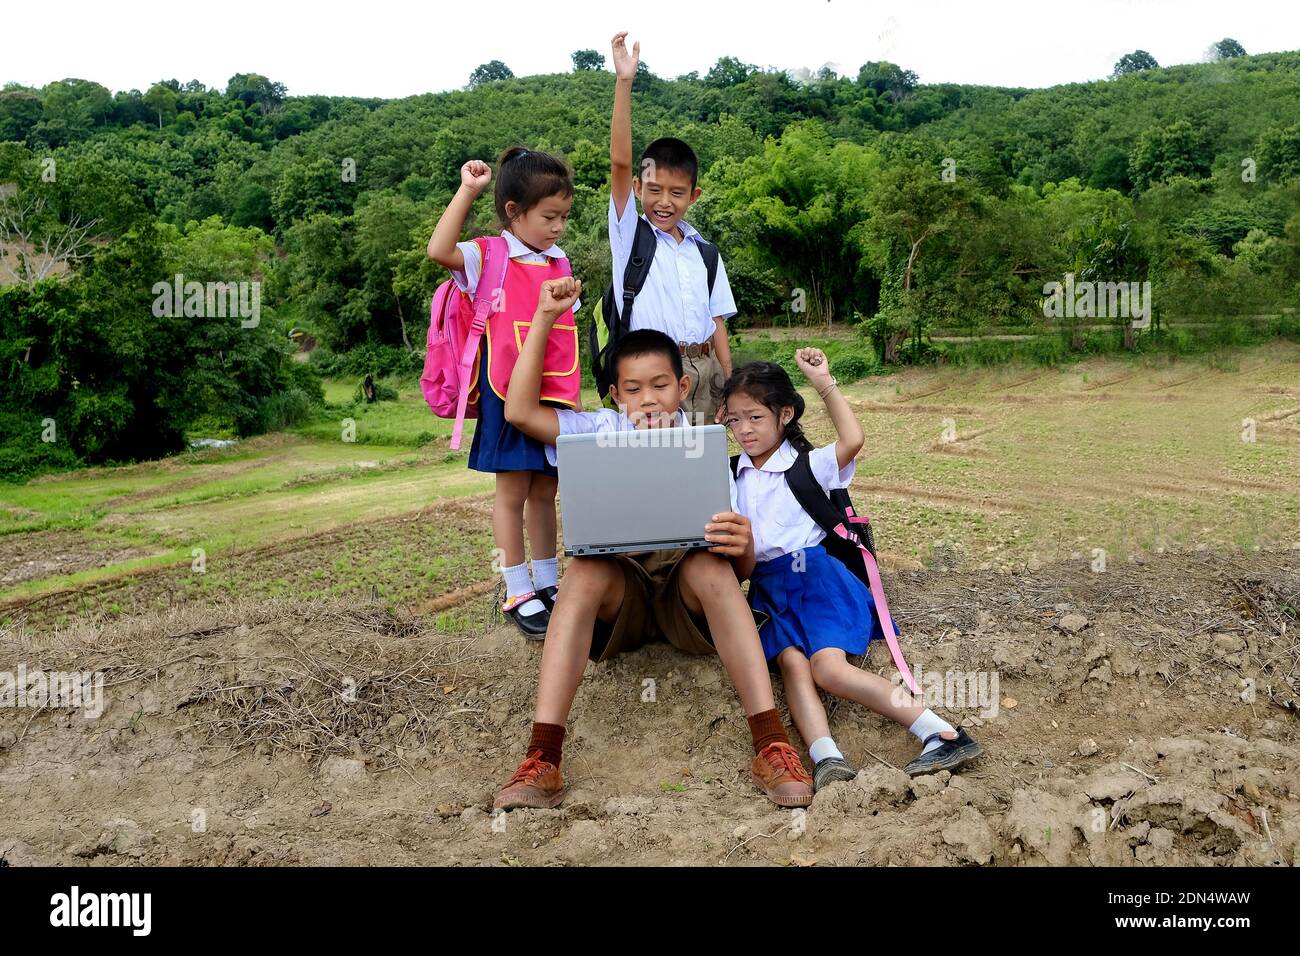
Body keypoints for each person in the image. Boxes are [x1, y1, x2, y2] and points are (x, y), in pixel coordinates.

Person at [491, 277, 814, 811]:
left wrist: (744, 544)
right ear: (615, 395)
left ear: (684, 387)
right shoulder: (596, 430)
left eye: (660, 385)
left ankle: (771, 742)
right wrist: (546, 318)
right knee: (584, 571)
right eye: (633, 389)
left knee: (712, 567)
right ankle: (543, 758)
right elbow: (519, 412)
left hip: (688, 604)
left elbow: (743, 569)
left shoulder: (709, 446)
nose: (647, 400)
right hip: (623, 603)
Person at [722, 350, 984, 789]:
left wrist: (824, 383)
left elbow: (852, 439)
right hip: (768, 590)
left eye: (754, 417)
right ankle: (826, 757)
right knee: (791, 665)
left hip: (816, 580)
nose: (744, 430)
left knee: (828, 669)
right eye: (734, 420)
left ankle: (941, 732)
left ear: (785, 414)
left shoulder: (809, 464)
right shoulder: (731, 474)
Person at [427, 148, 581, 638]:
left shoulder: (559, 260)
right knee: (512, 489)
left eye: (564, 217)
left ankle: (549, 581)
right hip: (506, 393)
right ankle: (517, 588)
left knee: (546, 490)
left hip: (551, 392)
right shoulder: (488, 255)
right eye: (549, 217)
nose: (558, 228)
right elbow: (438, 250)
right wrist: (468, 190)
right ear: (514, 212)